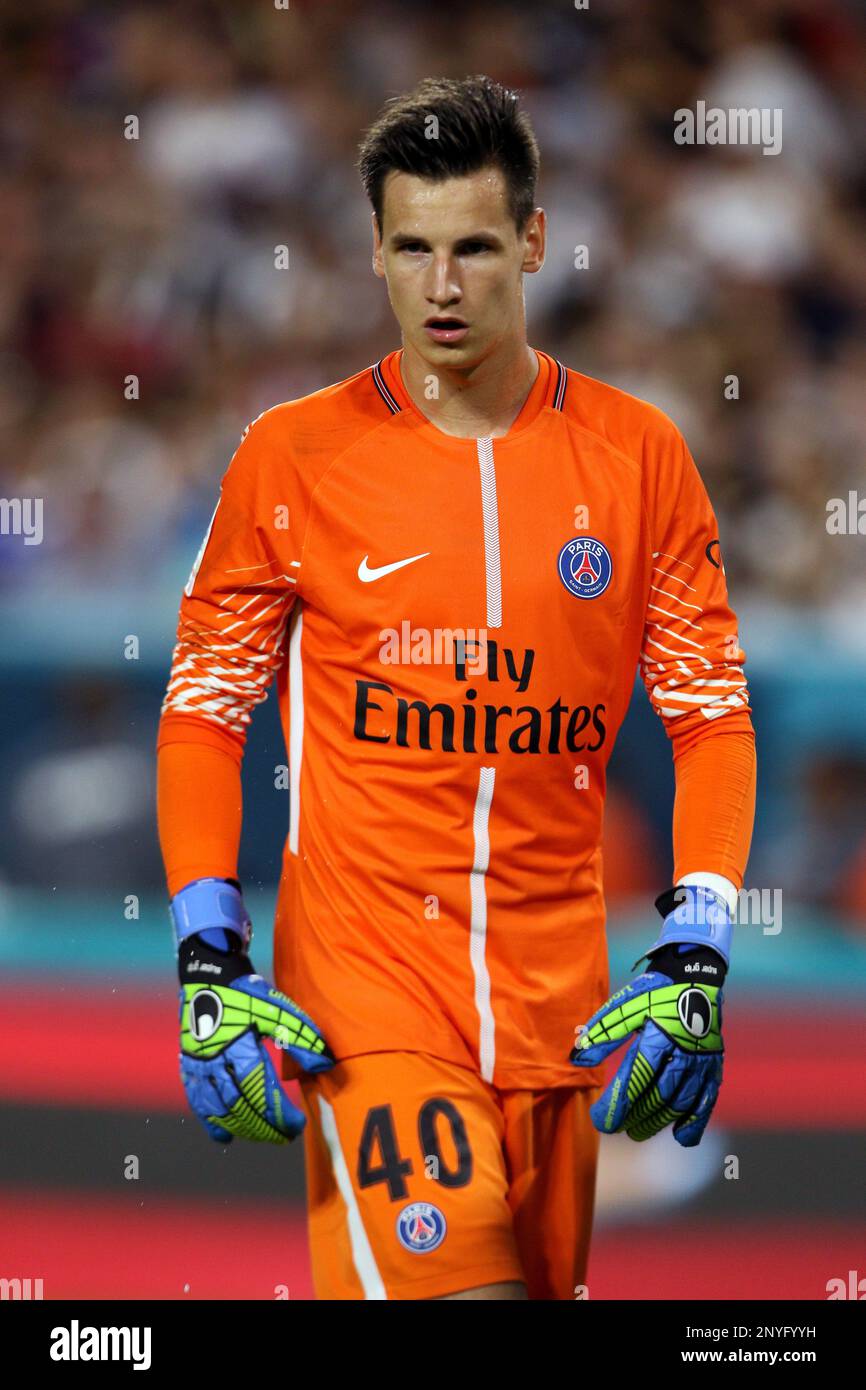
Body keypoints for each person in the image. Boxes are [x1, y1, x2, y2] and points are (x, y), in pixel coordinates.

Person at [156, 75, 756, 1301]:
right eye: (412, 250)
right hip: (367, 1000)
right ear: (373, 251)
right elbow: (207, 711)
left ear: (531, 241)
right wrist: (207, 957)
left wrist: (695, 944)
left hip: (558, 1022)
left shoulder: (639, 457)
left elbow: (708, 718)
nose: (441, 287)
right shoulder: (291, 456)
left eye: (473, 248)